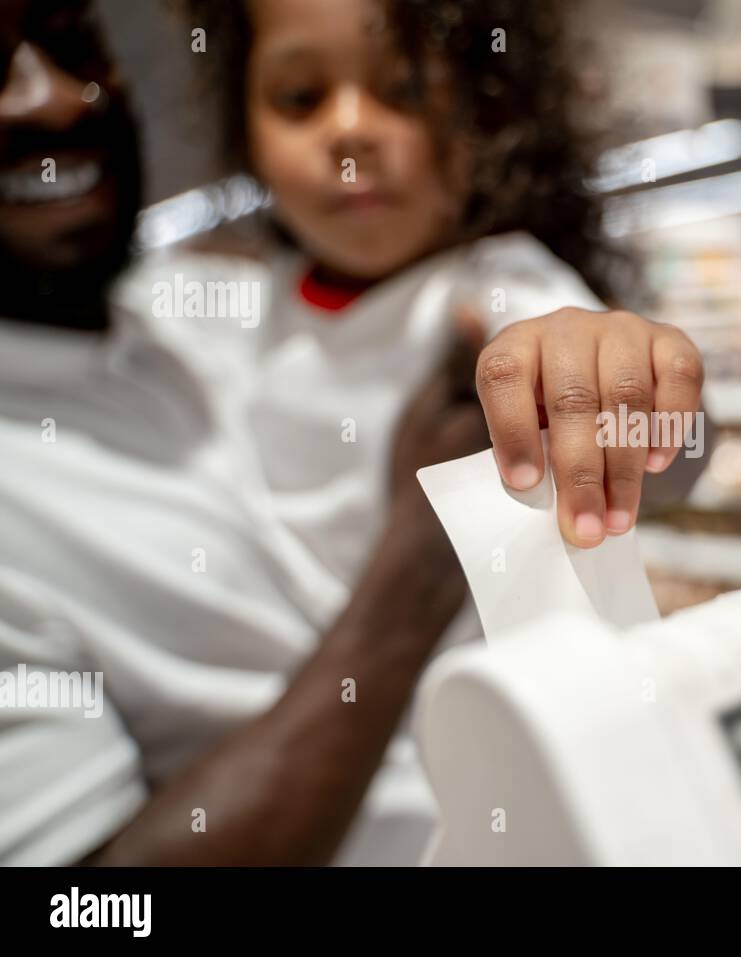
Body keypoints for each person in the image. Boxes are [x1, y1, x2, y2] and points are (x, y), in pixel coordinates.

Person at [0, 0, 495, 865]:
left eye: (72, 44)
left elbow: (667, 439)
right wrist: (417, 569)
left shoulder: (210, 319)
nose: (55, 100)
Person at [126, 0, 705, 595]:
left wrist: (615, 369)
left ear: (487, 115)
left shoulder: (494, 285)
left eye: (404, 89)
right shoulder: (248, 304)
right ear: (245, 133)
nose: (349, 129)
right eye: (300, 98)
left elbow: (663, 451)